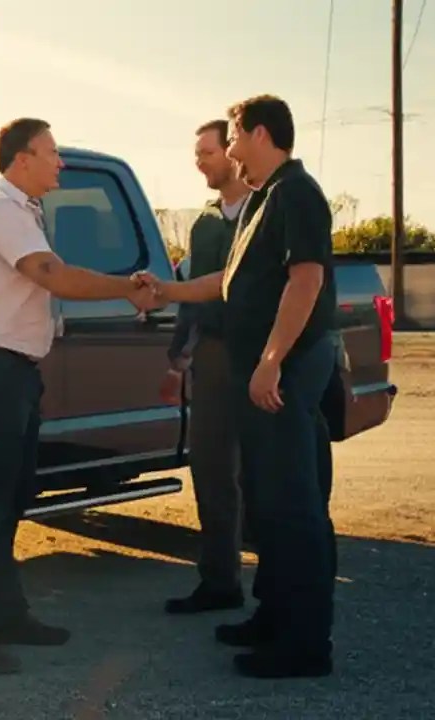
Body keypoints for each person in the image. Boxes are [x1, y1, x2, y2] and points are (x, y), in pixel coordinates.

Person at [0, 117, 159, 675]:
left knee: (11, 500)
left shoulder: (24, 212)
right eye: (52, 152)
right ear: (20, 160)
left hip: (12, 372)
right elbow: (53, 277)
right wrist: (127, 288)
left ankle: (7, 616)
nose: (60, 162)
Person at [135, 94, 338, 679]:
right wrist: (166, 291)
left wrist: (272, 359)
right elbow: (230, 281)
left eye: (232, 138)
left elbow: (305, 281)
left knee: (295, 506)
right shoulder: (260, 202)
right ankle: (272, 618)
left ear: (260, 133)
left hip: (287, 372)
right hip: (260, 374)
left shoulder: (298, 193)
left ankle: (304, 645)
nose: (227, 151)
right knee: (269, 503)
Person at [160, 120, 251, 615]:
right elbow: (193, 301)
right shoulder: (205, 223)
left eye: (209, 151)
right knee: (212, 472)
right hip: (214, 359)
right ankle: (220, 583)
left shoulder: (266, 211)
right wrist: (178, 358)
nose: (200, 160)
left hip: (262, 356)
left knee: (268, 475)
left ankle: (280, 593)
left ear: (234, 152)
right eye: (196, 153)